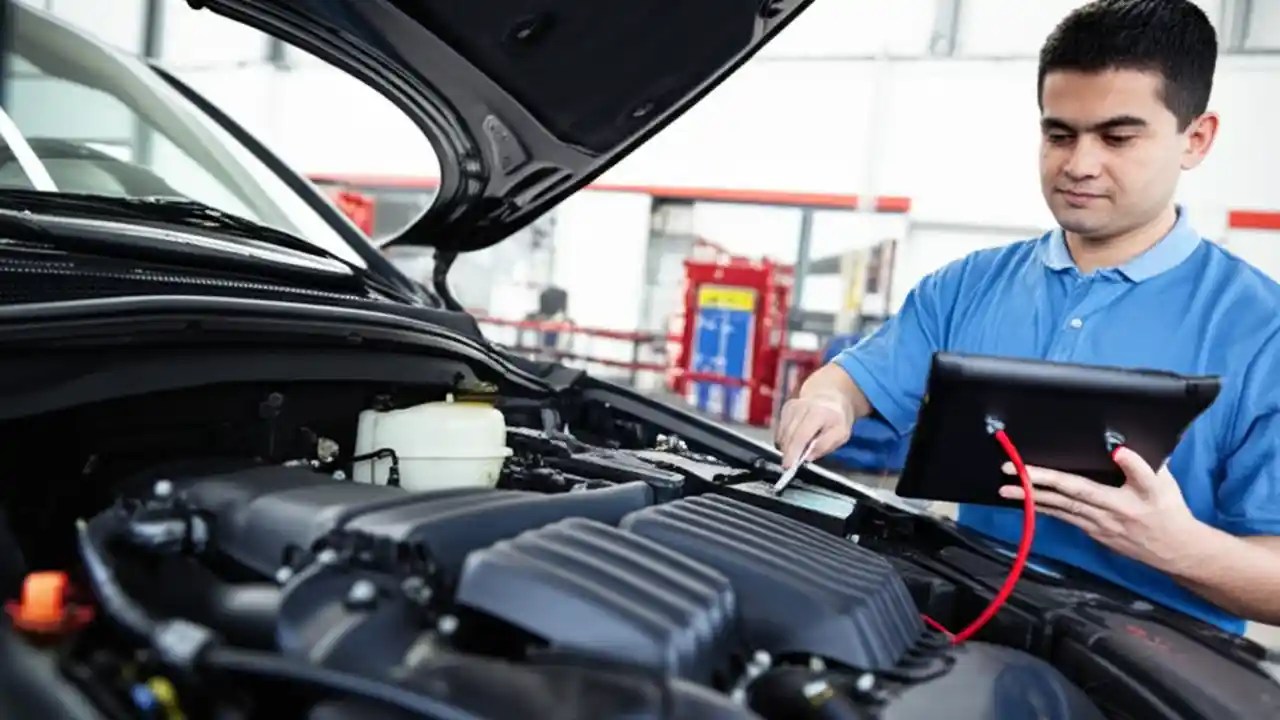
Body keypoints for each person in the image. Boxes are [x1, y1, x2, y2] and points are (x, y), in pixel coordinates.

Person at [775, 0, 1280, 635]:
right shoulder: (966, 286)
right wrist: (826, 403)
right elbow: (850, 381)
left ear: (1196, 139)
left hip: (1145, 668)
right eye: (1059, 134)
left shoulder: (1263, 332)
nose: (1079, 164)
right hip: (964, 634)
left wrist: (1175, 547)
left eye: (1118, 138)